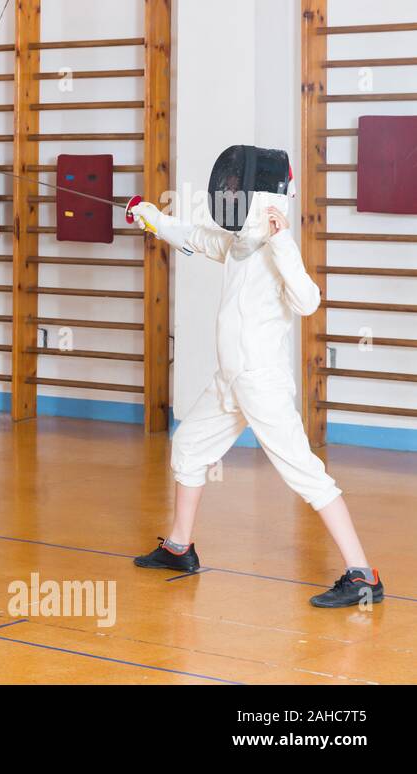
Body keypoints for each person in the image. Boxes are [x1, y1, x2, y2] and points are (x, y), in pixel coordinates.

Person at [129, 144, 382, 608]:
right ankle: (179, 548)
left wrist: (282, 241)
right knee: (188, 449)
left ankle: (362, 575)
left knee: (305, 473)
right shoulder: (239, 244)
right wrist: (151, 217)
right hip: (230, 381)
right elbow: (196, 237)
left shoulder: (277, 246)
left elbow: (307, 301)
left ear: (263, 198)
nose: (228, 194)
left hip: (260, 383)